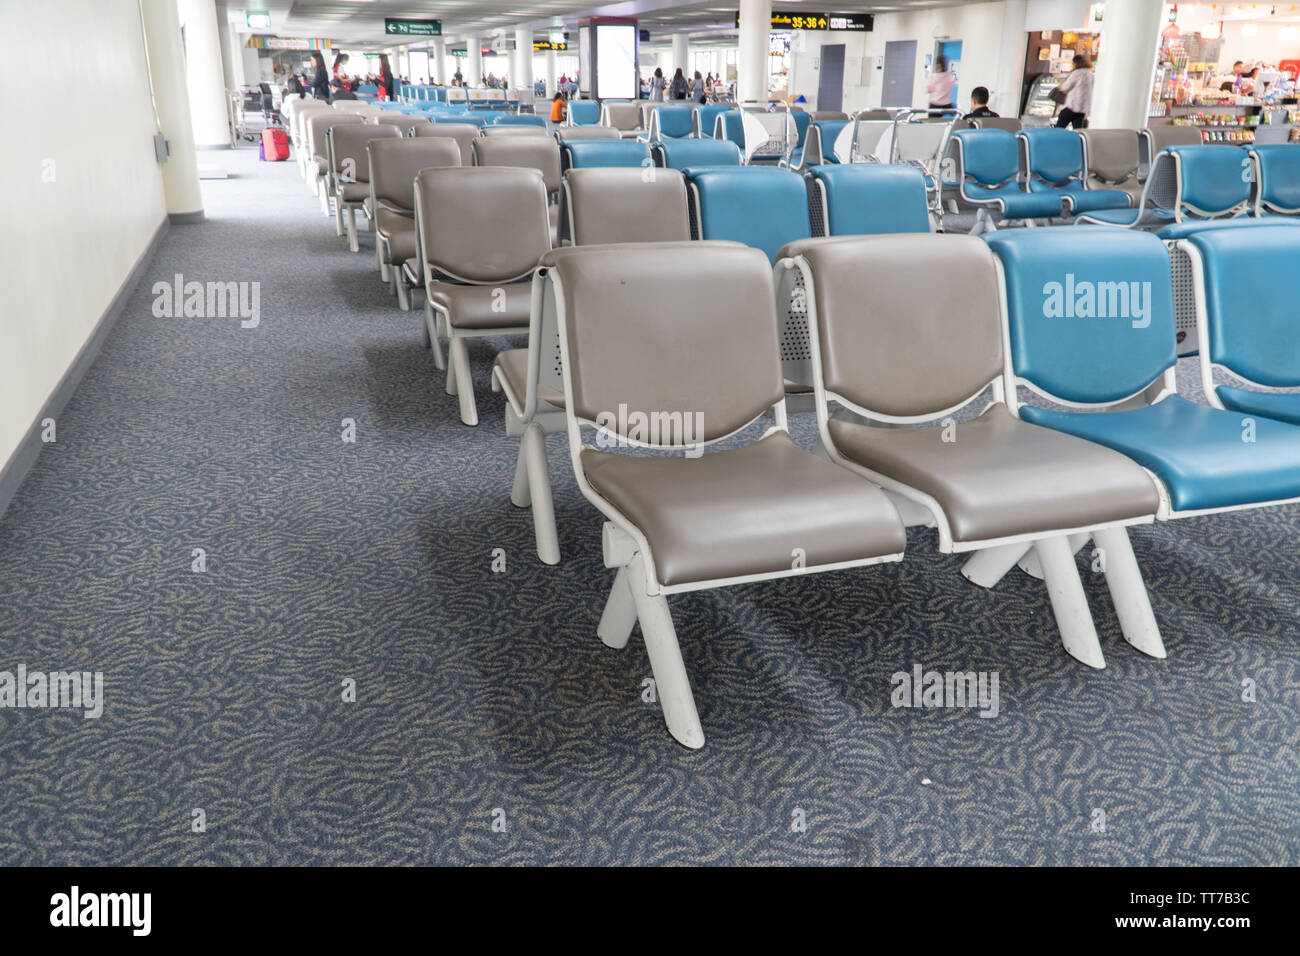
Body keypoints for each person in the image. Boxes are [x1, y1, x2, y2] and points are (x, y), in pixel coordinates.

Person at [1055, 54, 1094, 129]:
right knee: (1078, 130)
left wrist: (1061, 83)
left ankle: (1055, 140)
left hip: (1072, 105)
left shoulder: (1077, 73)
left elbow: (1065, 87)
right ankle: (1076, 140)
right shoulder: (1090, 73)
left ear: (1075, 63)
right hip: (1083, 108)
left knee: (1059, 127)